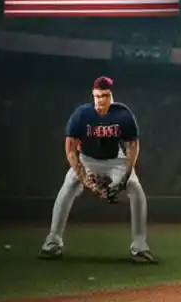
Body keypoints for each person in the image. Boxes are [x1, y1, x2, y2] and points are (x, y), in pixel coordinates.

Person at [38, 76, 156, 264]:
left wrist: (125, 177)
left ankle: (140, 246)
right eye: (98, 96)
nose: (101, 101)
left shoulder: (123, 114)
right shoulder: (82, 114)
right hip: (86, 159)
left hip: (115, 160)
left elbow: (133, 146)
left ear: (112, 96)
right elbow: (70, 150)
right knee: (68, 185)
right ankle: (52, 243)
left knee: (135, 188)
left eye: (105, 96)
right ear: (93, 96)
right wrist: (87, 180)